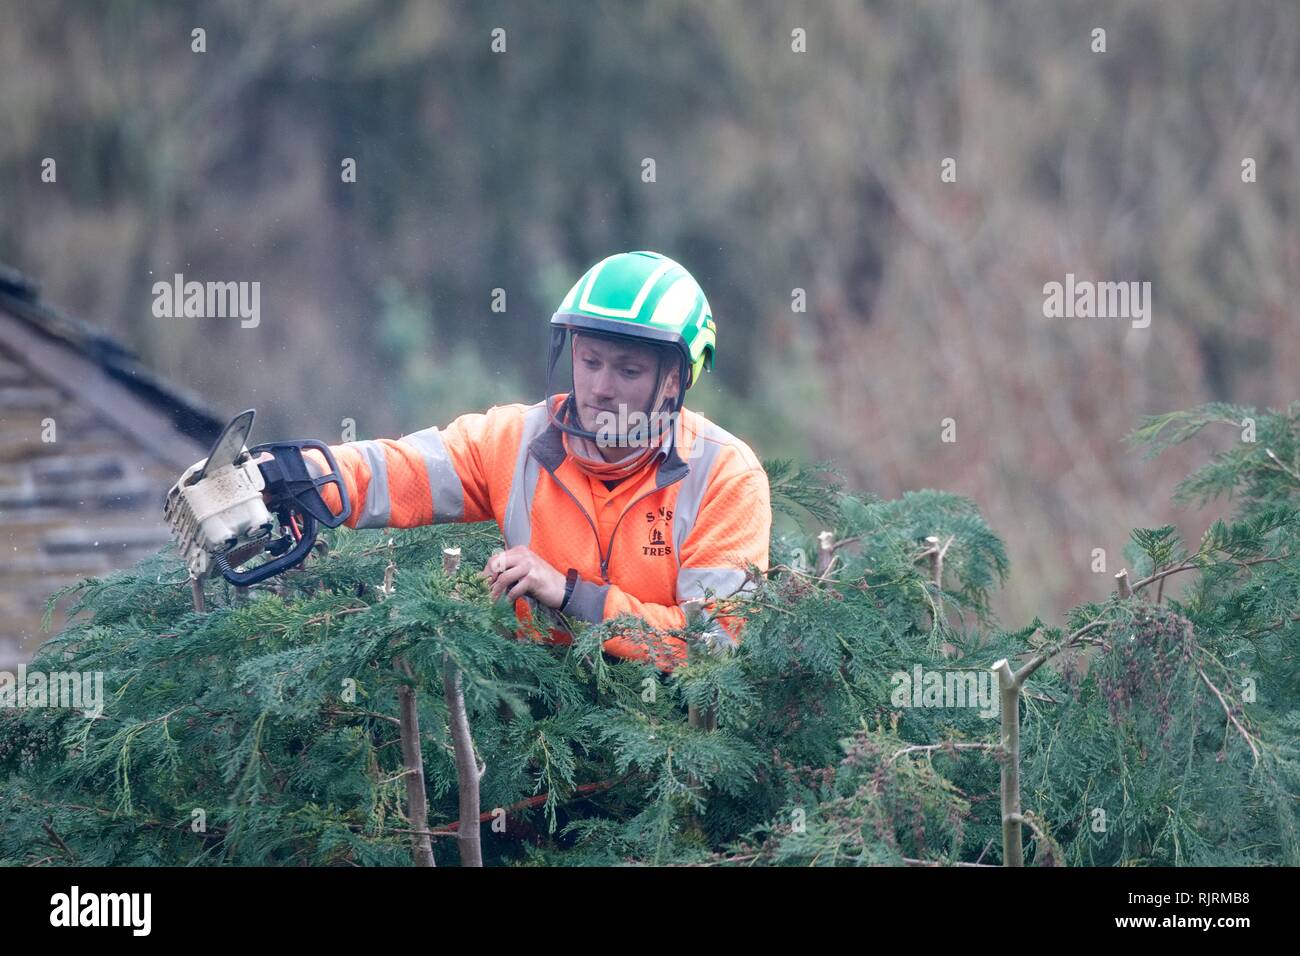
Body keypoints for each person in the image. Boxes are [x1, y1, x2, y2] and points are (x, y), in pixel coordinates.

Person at [301, 250, 770, 671]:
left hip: (664, 734)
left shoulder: (726, 476)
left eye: (628, 370)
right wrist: (303, 475)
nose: (601, 388)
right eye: (589, 362)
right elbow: (397, 470)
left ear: (674, 380)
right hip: (529, 715)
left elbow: (714, 645)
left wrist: (572, 595)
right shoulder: (514, 437)